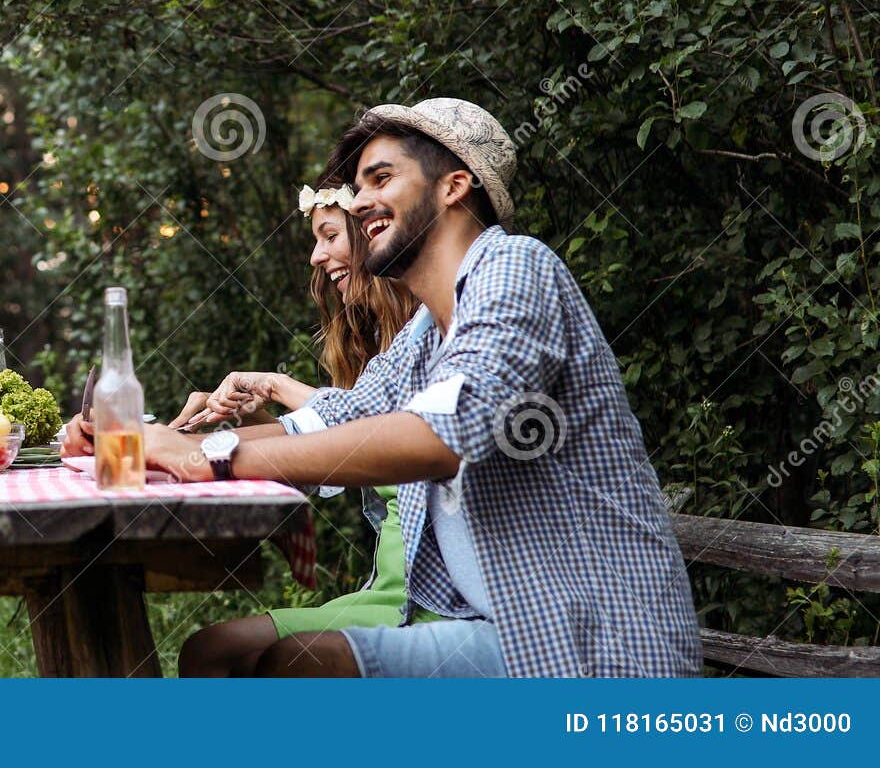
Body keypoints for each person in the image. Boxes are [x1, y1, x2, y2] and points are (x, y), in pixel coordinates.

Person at [138, 98, 701, 678]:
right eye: (357, 187)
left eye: (380, 178)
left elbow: (441, 436)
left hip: (592, 645)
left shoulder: (515, 266)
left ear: (455, 185)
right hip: (498, 633)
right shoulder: (424, 332)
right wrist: (164, 441)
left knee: (304, 668)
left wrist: (215, 460)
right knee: (252, 660)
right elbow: (337, 418)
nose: (358, 203)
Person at [159, 179, 428, 677]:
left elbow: (356, 426)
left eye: (330, 236)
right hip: (391, 591)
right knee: (210, 651)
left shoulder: (440, 331)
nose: (316, 257)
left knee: (237, 656)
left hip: (428, 600)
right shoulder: (385, 352)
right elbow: (335, 428)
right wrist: (242, 417)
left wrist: (185, 445)